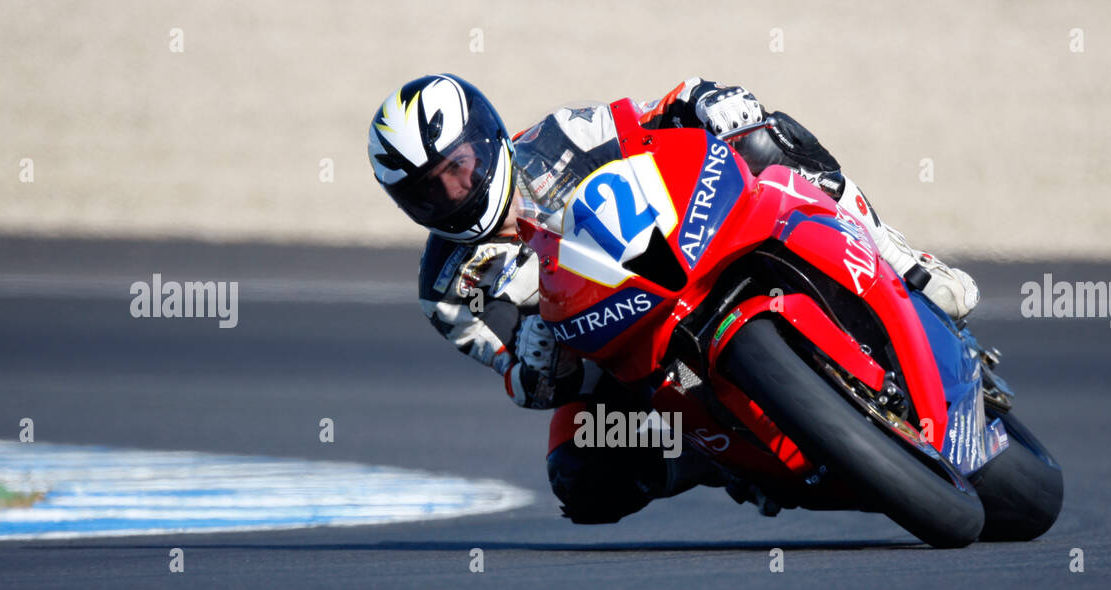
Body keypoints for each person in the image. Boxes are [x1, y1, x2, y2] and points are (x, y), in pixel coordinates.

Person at [367, 74, 980, 523]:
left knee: (763, 136)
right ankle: (714, 460)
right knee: (578, 470)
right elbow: (528, 386)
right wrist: (533, 358)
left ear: (485, 138)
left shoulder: (556, 139)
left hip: (686, 244)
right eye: (429, 192)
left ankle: (899, 257)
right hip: (616, 353)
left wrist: (709, 100)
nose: (454, 190)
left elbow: (660, 112)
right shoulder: (448, 289)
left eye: (460, 166)